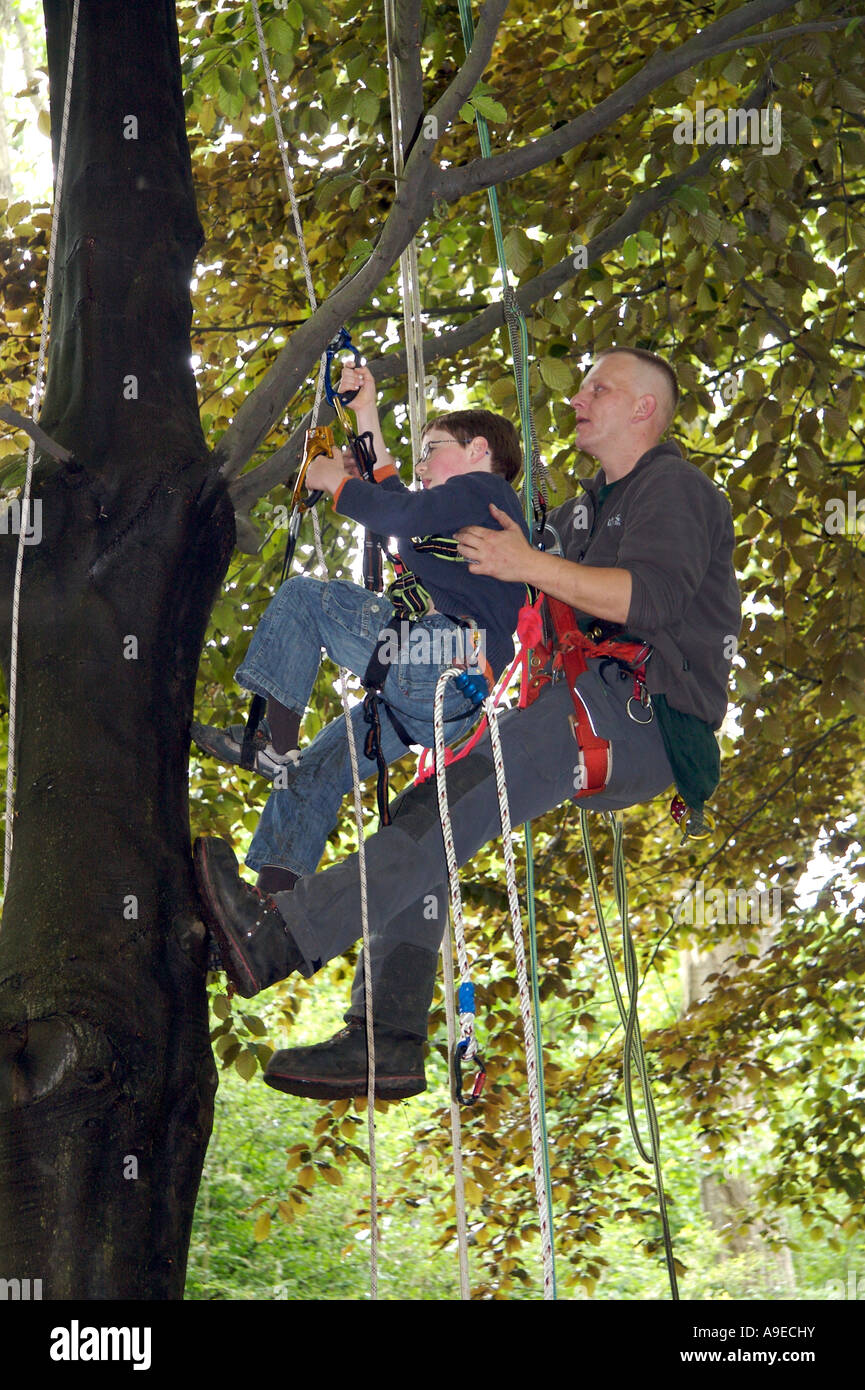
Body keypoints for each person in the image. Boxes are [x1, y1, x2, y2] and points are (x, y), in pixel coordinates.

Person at [193, 346, 741, 1102]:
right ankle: (382, 1040)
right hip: (578, 702)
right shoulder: (586, 512)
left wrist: (526, 563)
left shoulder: (673, 489)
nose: (578, 397)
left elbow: (642, 599)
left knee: (441, 814)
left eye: (597, 387)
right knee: (434, 828)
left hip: (635, 713)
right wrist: (367, 427)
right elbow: (433, 525)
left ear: (643, 407)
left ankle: (281, 936)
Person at [194, 363, 531, 899]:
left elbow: (400, 511)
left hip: (439, 659)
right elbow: (401, 503)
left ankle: (269, 742)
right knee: (314, 772)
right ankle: (268, 909)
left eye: (431, 449)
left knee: (305, 598)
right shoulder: (456, 520)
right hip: (445, 700)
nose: (420, 464)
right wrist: (364, 410)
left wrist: (336, 484)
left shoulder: (483, 490)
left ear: (478, 450)